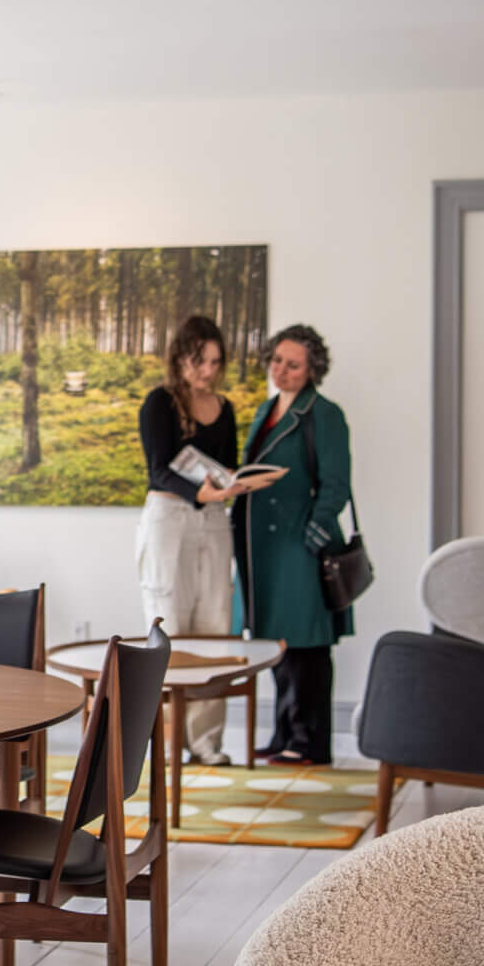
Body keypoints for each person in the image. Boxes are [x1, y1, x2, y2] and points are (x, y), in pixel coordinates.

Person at [136, 315, 257, 764]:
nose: (209, 370)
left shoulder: (224, 409)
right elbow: (158, 470)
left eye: (216, 361)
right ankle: (167, 745)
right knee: (169, 621)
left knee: (214, 622)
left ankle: (207, 743)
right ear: (180, 356)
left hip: (213, 521)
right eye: (200, 360)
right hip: (168, 518)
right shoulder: (159, 403)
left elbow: (227, 465)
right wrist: (201, 491)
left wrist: (232, 486)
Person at [232, 323, 352, 768]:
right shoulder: (267, 409)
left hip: (300, 543)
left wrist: (311, 536)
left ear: (312, 370)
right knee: (279, 646)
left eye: (293, 365)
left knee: (308, 646)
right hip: (262, 546)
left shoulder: (325, 413)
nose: (281, 370)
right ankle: (283, 732)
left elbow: (337, 485)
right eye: (277, 361)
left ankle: (310, 742)